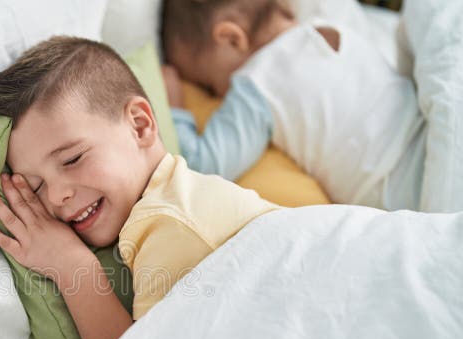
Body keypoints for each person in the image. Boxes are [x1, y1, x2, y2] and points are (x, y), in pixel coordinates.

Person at [0, 36, 279, 339]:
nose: (56, 195)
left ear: (139, 126)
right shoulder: (183, 192)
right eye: (36, 187)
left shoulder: (170, 222)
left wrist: (72, 266)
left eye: (72, 159)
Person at [161, 0, 426, 211]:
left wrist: (174, 106)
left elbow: (203, 168)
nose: (217, 95)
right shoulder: (330, 28)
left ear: (231, 38)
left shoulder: (256, 83)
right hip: (426, 144)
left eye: (209, 84)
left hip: (399, 196)